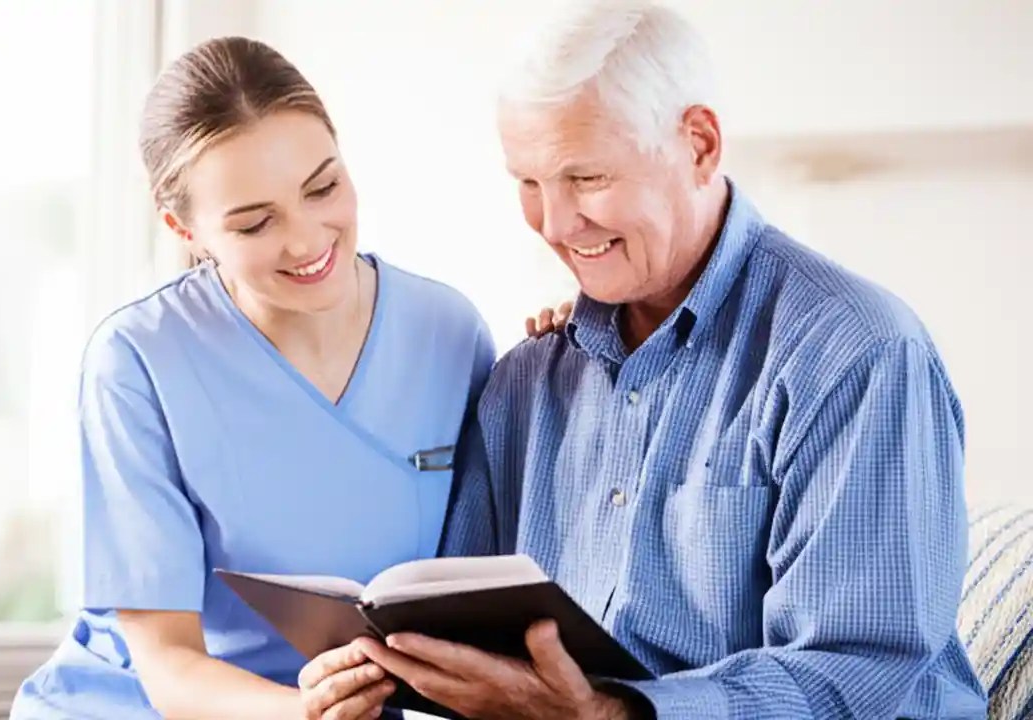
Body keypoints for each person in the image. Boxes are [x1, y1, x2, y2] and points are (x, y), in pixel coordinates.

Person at [301, 2, 990, 718]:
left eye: (587, 178)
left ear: (699, 146)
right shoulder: (526, 383)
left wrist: (608, 714)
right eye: (529, 183)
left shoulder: (857, 354)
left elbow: (857, 674)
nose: (555, 225)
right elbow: (456, 634)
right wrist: (377, 672)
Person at [9, 36, 567, 720]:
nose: (306, 241)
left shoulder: (447, 332)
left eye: (323, 188)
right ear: (183, 228)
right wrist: (305, 712)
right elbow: (169, 667)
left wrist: (576, 344)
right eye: (254, 224)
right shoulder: (137, 361)